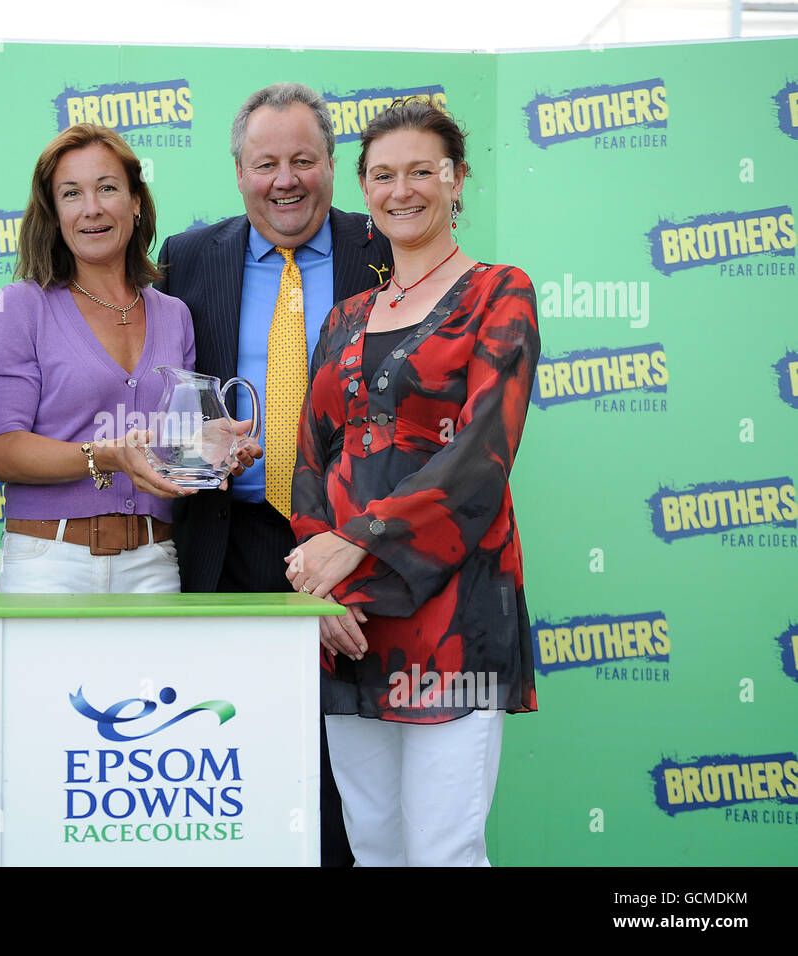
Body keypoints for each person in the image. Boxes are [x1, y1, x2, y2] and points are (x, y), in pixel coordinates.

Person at [286, 96, 540, 866]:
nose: (403, 191)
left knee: (444, 849)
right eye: (383, 175)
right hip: (349, 626)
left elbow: (481, 458)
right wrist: (315, 589)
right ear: (363, 189)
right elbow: (309, 463)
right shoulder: (344, 318)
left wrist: (351, 548)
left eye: (422, 172)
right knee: (375, 847)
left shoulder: (502, 291)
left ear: (456, 179)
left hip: (455, 617)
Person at [155, 82, 392, 866]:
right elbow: (161, 395)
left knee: (343, 785)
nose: (284, 180)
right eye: (266, 163)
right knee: (226, 771)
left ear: (333, 165)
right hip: (228, 545)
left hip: (350, 550)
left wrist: (343, 551)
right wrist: (196, 447)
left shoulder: (384, 247)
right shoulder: (189, 258)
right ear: (238, 172)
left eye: (303, 160)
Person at [0, 123, 244, 594]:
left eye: (107, 188)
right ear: (54, 212)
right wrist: (106, 456)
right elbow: (5, 453)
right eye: (71, 194)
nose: (92, 209)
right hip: (48, 564)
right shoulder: (19, 306)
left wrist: (218, 451)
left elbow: (173, 447)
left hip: (154, 562)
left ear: (136, 201)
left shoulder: (175, 315)